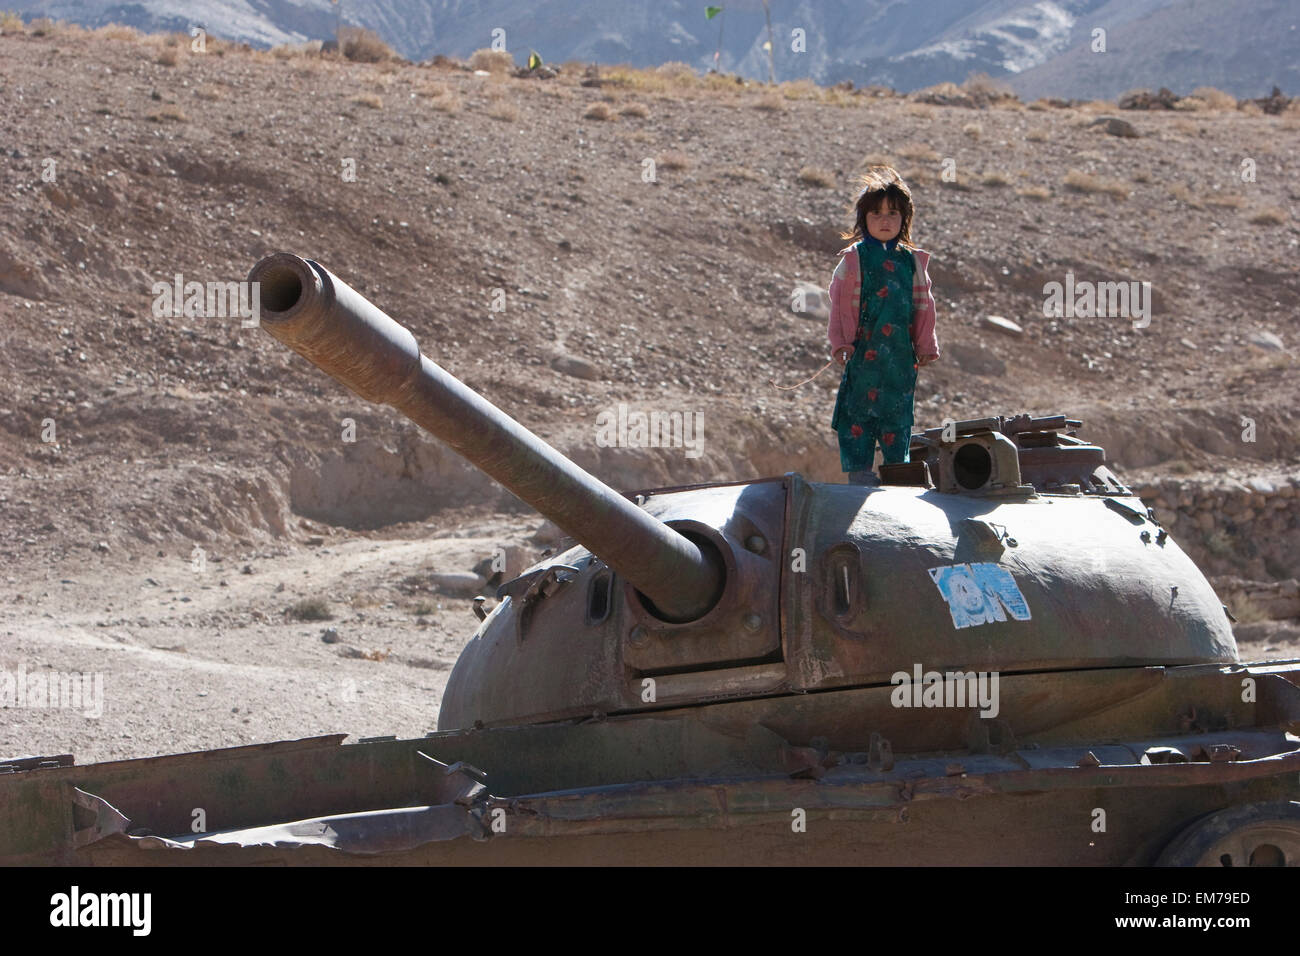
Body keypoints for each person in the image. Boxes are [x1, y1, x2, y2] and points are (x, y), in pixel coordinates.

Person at [827, 167, 940, 486]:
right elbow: (838, 305)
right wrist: (840, 343)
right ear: (864, 219)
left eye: (893, 213)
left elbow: (924, 306)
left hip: (901, 358)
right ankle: (860, 476)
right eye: (876, 213)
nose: (885, 220)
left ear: (905, 217)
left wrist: (926, 345)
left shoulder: (913, 262)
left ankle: (897, 475)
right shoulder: (853, 260)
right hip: (862, 353)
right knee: (857, 415)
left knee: (898, 415)